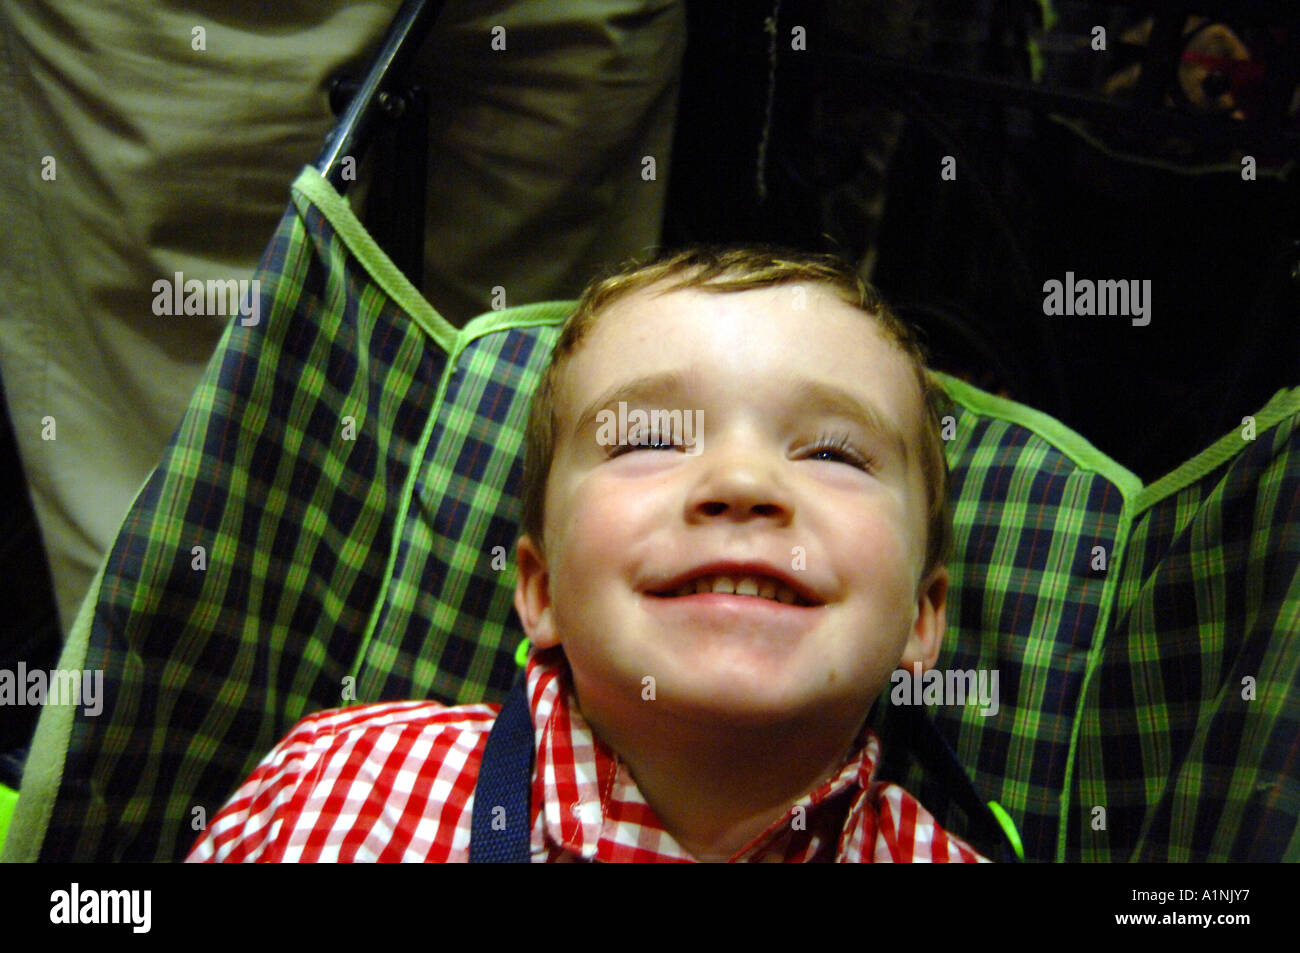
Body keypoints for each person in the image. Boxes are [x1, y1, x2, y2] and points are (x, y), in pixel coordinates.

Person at [186, 246, 987, 863]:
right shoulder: (340, 794)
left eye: (834, 455)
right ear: (540, 590)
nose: (743, 481)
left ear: (922, 618)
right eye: (645, 438)